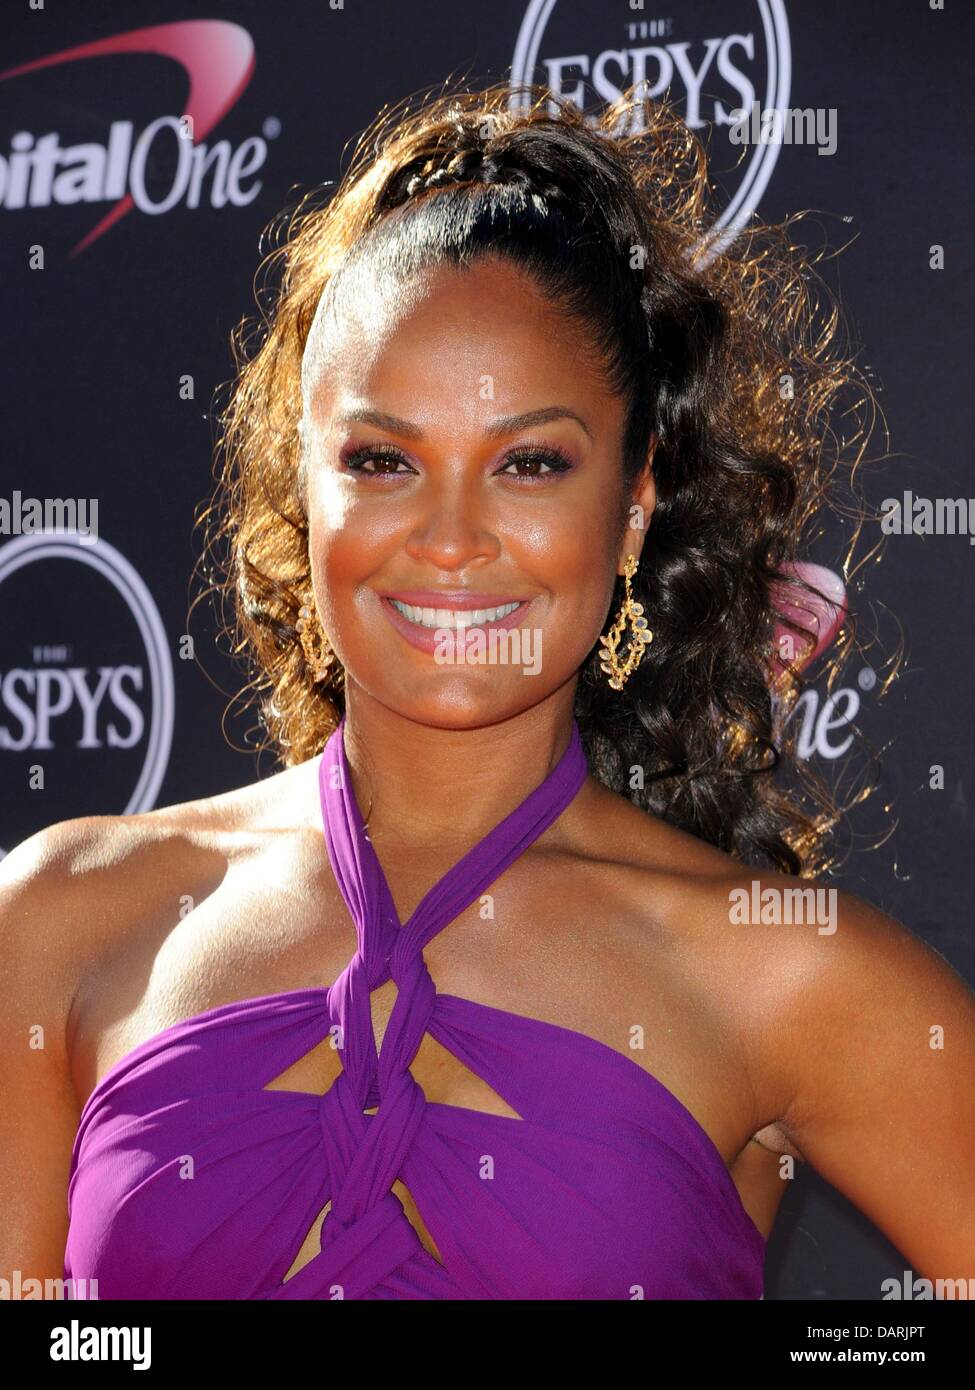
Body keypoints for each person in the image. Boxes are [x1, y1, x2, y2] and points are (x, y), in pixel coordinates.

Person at [2, 83, 973, 1301]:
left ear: (630, 514)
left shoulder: (785, 976)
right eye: (382, 459)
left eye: (528, 462)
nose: (451, 538)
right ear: (306, 494)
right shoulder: (58, 921)